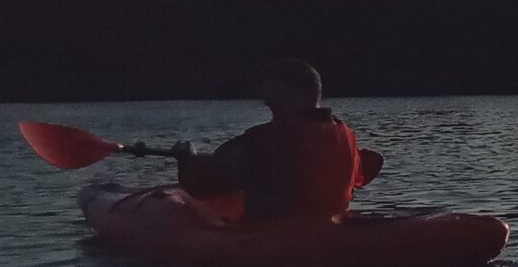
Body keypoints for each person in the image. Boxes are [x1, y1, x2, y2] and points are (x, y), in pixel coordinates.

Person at [157, 59, 367, 222]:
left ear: (297, 95)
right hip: (328, 231)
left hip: (277, 239)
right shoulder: (346, 135)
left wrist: (186, 159)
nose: (271, 108)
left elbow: (202, 185)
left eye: (274, 104)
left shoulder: (265, 140)